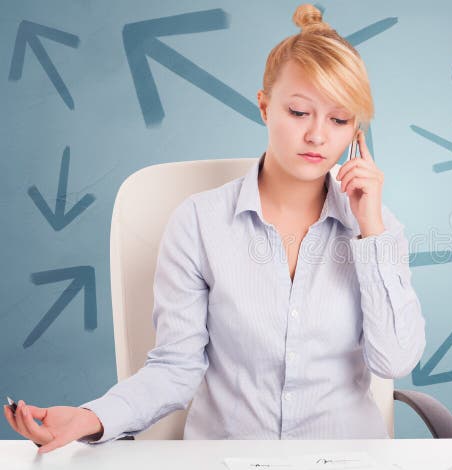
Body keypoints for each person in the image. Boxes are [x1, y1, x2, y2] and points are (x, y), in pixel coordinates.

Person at [4, 3, 426, 453]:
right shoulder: (199, 223)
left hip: (348, 460)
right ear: (265, 107)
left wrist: (371, 232)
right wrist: (92, 418)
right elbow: (175, 367)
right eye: (299, 112)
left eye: (339, 120)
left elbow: (395, 359)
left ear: (356, 133)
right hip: (227, 458)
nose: (318, 136)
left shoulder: (376, 229)